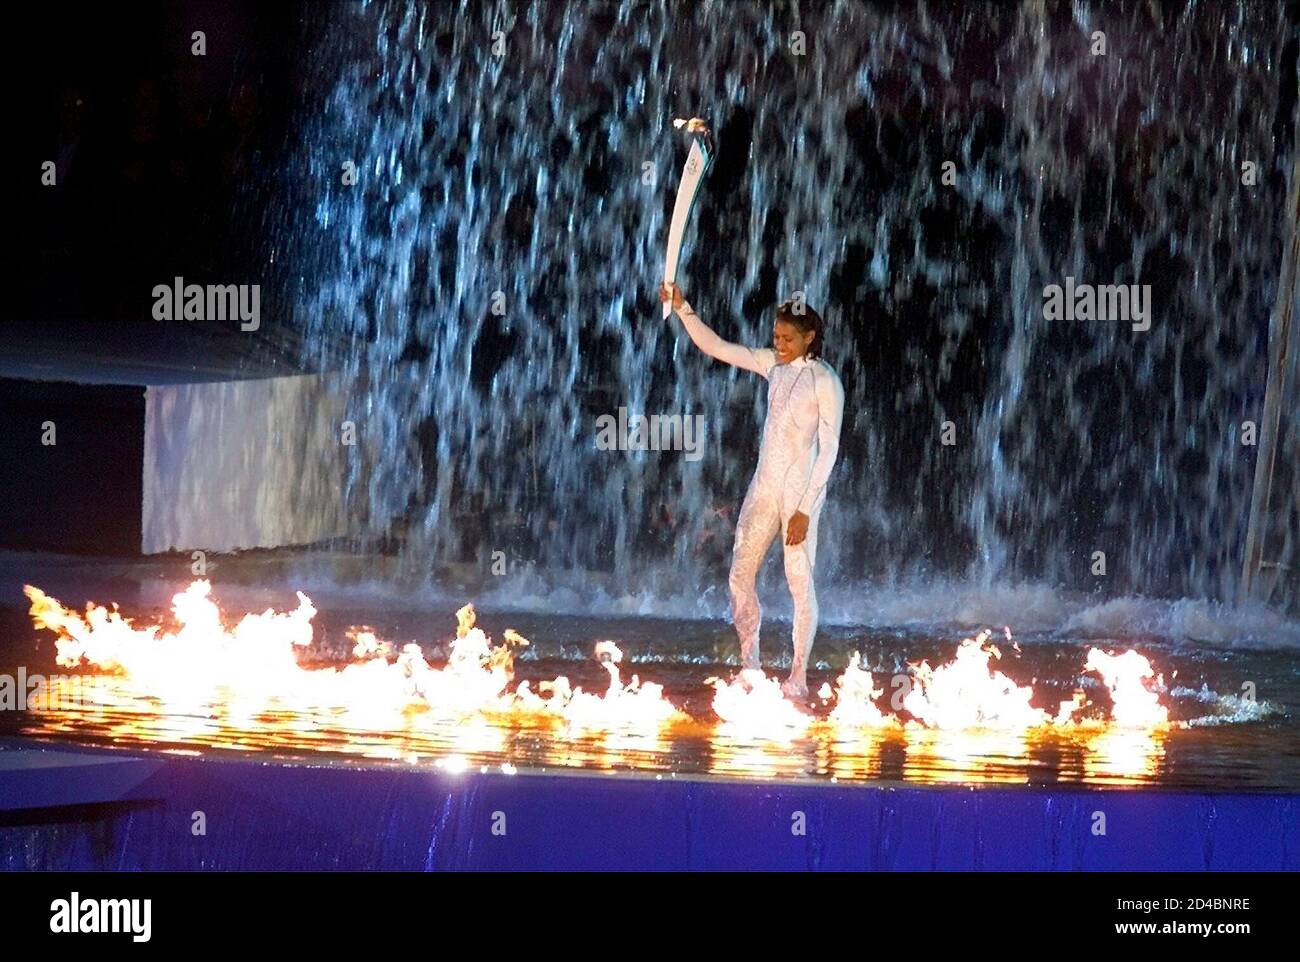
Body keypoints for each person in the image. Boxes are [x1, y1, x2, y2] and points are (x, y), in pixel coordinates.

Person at [660, 282, 845, 700]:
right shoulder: (772, 366)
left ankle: (797, 677)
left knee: (800, 583)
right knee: (739, 577)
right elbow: (717, 347)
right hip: (763, 487)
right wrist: (683, 307)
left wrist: (804, 509)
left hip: (799, 495)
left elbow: (830, 448)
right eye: (776, 337)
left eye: (787, 338)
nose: (778, 344)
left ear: (809, 336)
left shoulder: (825, 381)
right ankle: (751, 665)